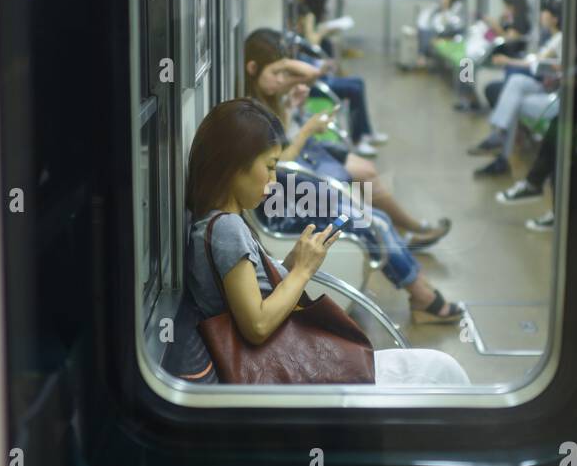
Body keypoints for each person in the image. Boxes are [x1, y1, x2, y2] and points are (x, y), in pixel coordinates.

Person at [186, 99, 470, 382]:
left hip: (290, 359)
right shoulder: (226, 229)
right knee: (443, 370)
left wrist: (290, 263)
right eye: (270, 167)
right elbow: (257, 325)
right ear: (236, 165)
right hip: (288, 368)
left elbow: (255, 294)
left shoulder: (223, 224)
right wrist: (303, 270)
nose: (273, 182)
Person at [246, 28, 451, 251]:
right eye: (275, 71)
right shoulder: (253, 110)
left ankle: (403, 230)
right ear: (253, 68)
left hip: (306, 146)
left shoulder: (271, 94)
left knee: (367, 171)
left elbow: (308, 80)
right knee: (360, 182)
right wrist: (307, 127)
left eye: (282, 72)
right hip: (302, 150)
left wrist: (290, 103)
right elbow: (284, 152)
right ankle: (401, 232)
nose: (280, 79)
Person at [494, 14, 577, 222]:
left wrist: (563, 78)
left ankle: (536, 187)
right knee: (551, 136)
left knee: (555, 141)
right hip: (568, 110)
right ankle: (527, 175)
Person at [467, 3, 563, 177]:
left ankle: (500, 151)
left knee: (513, 96)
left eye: (545, 14)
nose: (541, 17)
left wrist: (508, 61)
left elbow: (538, 63)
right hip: (541, 85)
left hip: (550, 93)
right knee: (515, 84)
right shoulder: (548, 37)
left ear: (555, 19)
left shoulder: (560, 39)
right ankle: (500, 138)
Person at [293, 0, 388, 155]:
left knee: (358, 82)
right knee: (354, 88)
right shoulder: (299, 27)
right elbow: (312, 46)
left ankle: (365, 133)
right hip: (312, 82)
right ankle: (358, 139)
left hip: (315, 75)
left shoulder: (307, 21)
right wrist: (318, 31)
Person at [454, 0, 531, 110]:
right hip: (492, 51)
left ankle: (470, 99)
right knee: (466, 63)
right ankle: (468, 98)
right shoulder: (509, 20)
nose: (505, 10)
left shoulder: (520, 22)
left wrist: (496, 25)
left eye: (507, 7)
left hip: (506, 55)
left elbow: (509, 39)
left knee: (467, 63)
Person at [412, 0, 466, 65]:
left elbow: (453, 24)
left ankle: (422, 56)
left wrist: (445, 10)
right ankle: (422, 56)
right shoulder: (438, 8)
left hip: (450, 30)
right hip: (441, 30)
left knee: (427, 32)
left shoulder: (456, 7)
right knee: (425, 31)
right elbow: (434, 22)